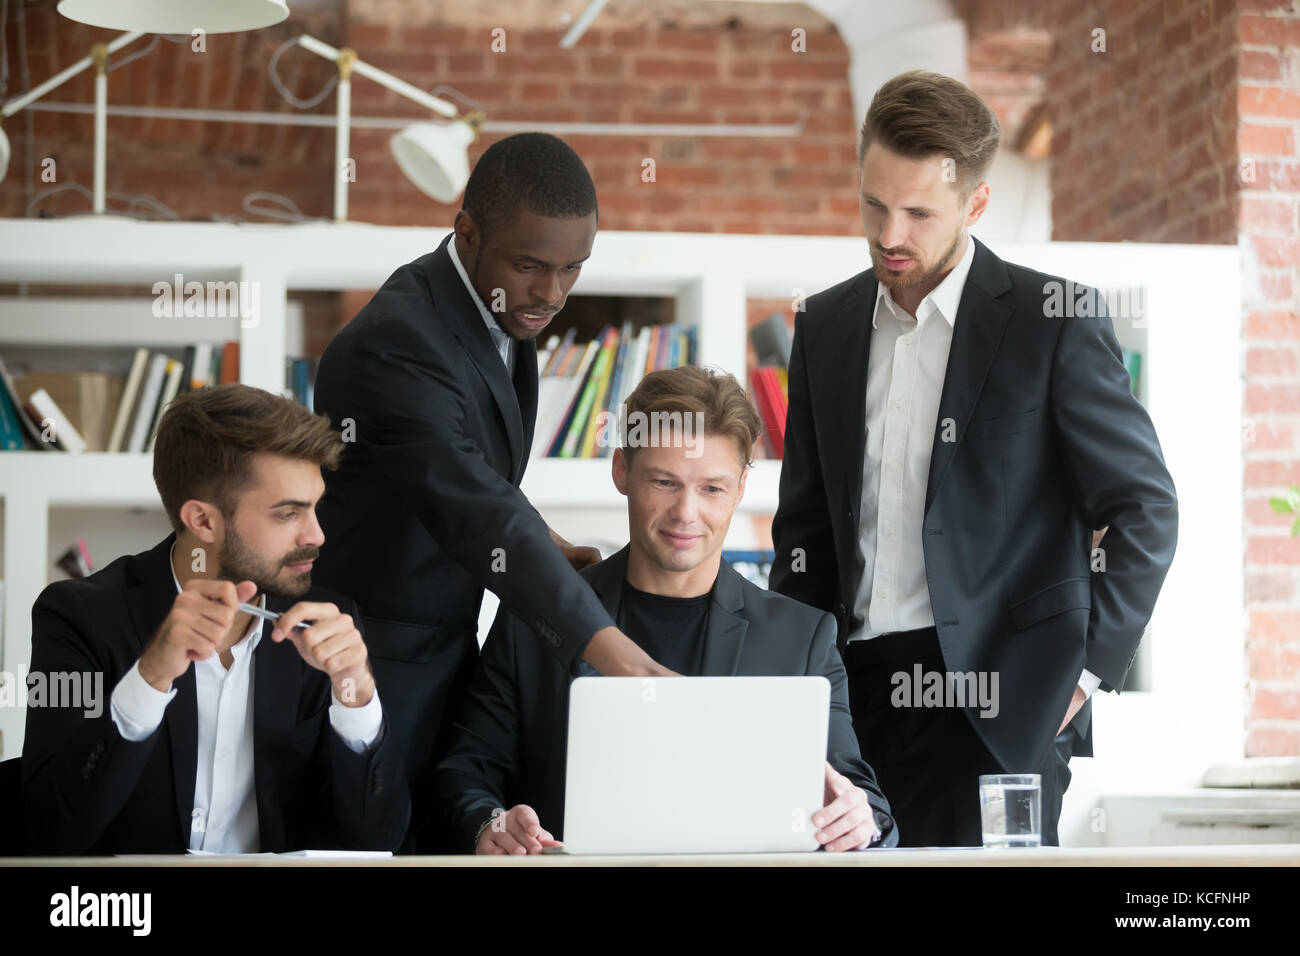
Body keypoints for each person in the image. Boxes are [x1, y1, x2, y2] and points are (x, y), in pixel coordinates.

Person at [770, 70, 1179, 847]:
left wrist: (1084, 674)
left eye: (919, 213)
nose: (890, 235)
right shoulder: (822, 327)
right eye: (874, 204)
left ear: (976, 204)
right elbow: (806, 536)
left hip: (999, 705)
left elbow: (1146, 509)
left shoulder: (1052, 321)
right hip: (850, 706)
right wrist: (796, 697)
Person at [312, 132, 671, 850]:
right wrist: (620, 661)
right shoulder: (398, 341)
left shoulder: (501, 307)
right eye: (532, 265)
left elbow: (481, 476)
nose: (553, 293)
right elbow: (475, 507)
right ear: (467, 233)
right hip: (367, 674)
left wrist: (551, 544)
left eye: (574, 268)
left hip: (448, 660)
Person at [433, 366, 898, 854]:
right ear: (621, 471)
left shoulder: (803, 638)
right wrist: (490, 822)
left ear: (740, 489)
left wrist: (862, 821)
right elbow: (464, 772)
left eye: (712, 489)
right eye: (664, 482)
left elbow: (865, 804)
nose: (686, 513)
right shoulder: (531, 618)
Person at [21, 385, 409, 854]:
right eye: (288, 513)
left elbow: (379, 841)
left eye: (315, 507)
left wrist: (357, 699)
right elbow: (45, 833)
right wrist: (149, 679)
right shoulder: (79, 617)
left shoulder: (328, 625)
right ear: (202, 522)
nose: (317, 534)